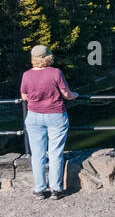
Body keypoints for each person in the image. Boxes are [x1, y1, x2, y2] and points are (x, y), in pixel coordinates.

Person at [20, 45, 77, 199]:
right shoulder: (55, 72)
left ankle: (39, 190)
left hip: (34, 116)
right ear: (48, 57)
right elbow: (66, 93)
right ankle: (56, 189)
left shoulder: (26, 75)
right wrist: (74, 95)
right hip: (55, 115)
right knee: (55, 152)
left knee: (37, 153)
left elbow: (24, 97)